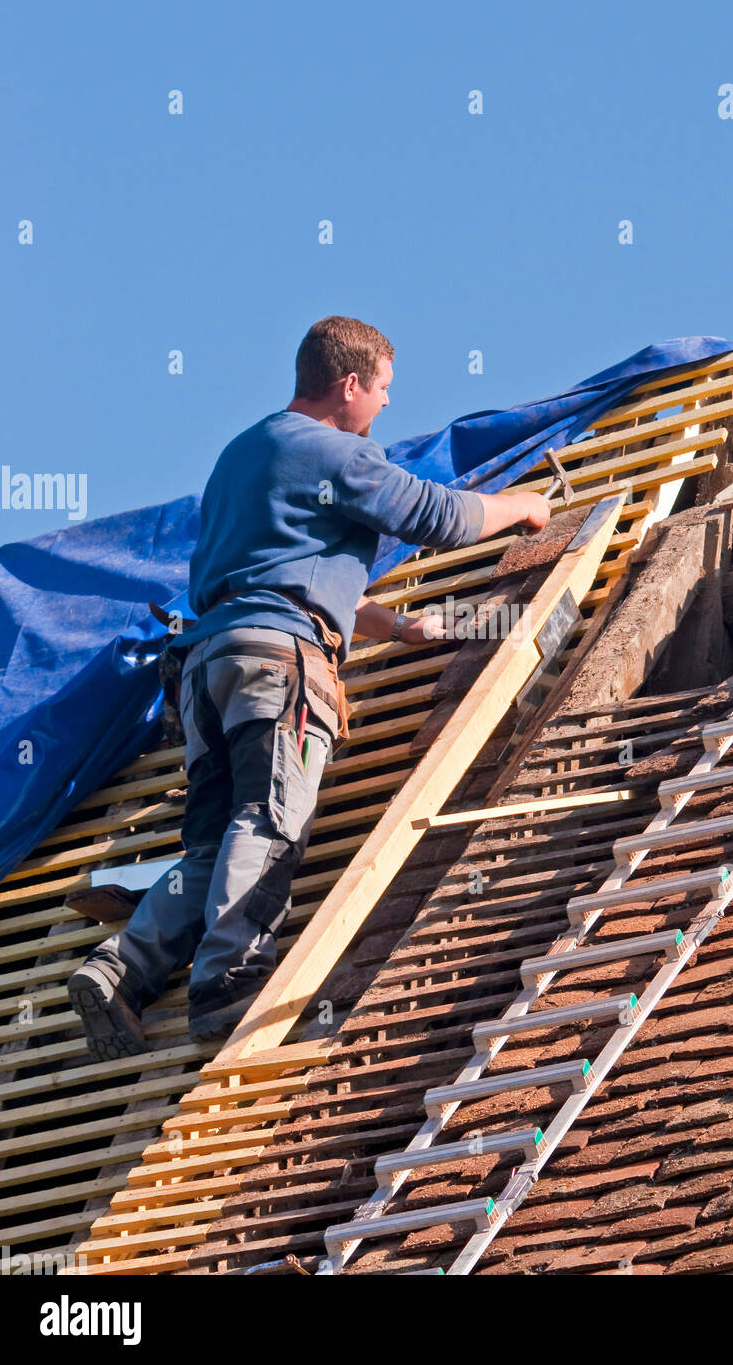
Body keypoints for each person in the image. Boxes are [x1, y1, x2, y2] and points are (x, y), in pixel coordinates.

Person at [68, 315, 552, 1059]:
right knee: (269, 819)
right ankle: (229, 981)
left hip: (208, 667)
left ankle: (120, 968)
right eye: (384, 389)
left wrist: (399, 628)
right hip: (276, 666)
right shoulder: (328, 451)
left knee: (210, 844)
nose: (388, 406)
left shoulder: (245, 455)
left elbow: (287, 574)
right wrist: (521, 506)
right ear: (350, 383)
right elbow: (438, 516)